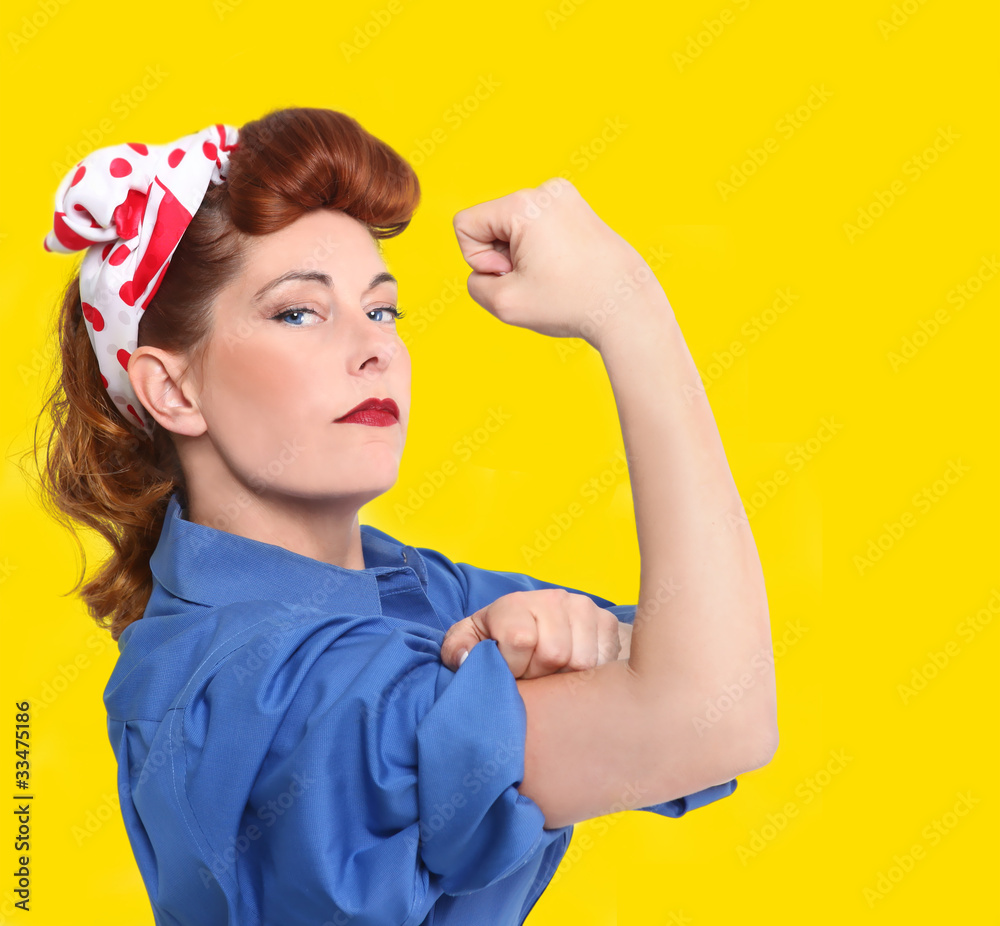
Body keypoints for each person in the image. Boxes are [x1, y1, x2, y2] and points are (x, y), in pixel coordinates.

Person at [36, 107, 778, 925]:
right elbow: (717, 708)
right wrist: (629, 309)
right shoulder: (272, 694)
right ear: (173, 390)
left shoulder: (401, 586)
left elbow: (710, 651)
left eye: (382, 310)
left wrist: (570, 643)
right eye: (299, 312)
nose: (375, 348)